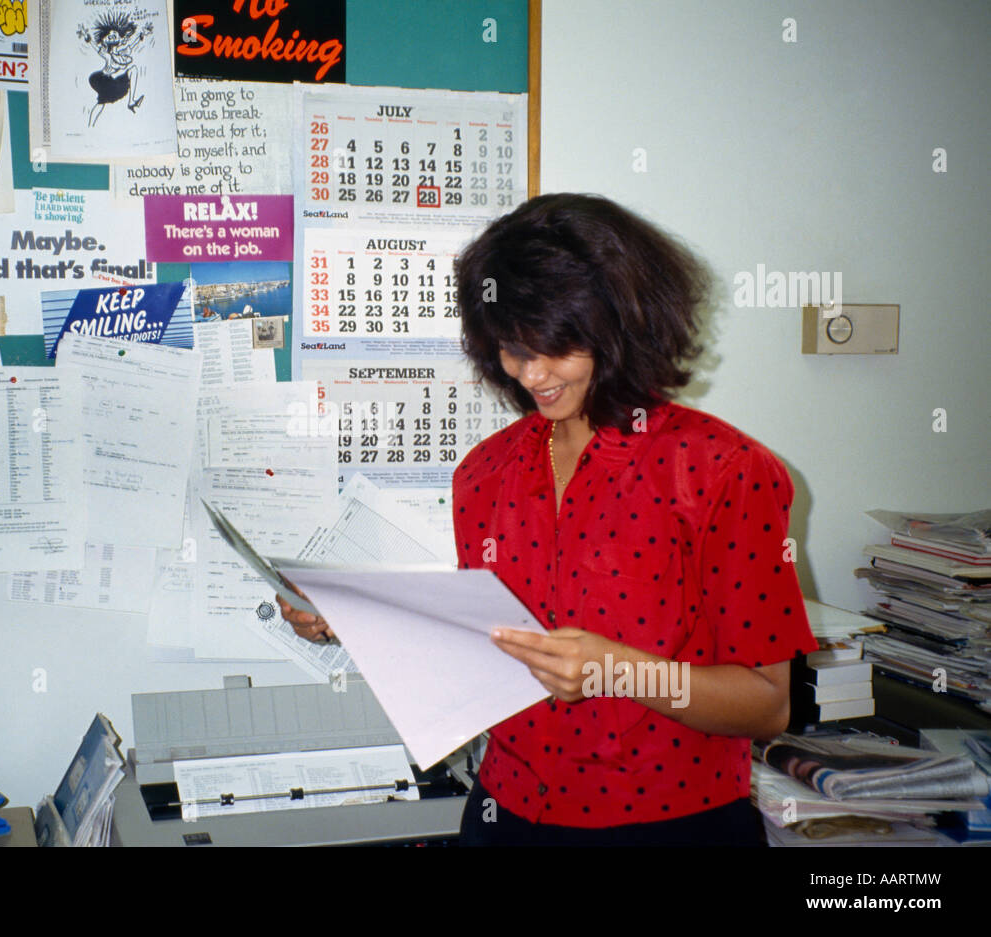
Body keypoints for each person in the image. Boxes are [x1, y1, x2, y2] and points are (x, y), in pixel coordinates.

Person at [279, 193, 819, 846]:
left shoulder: (724, 469)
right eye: (511, 347)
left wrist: (619, 670)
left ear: (620, 324)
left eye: (555, 346)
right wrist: (366, 624)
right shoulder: (485, 472)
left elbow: (768, 702)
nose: (531, 374)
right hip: (503, 816)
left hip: (669, 826)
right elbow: (488, 653)